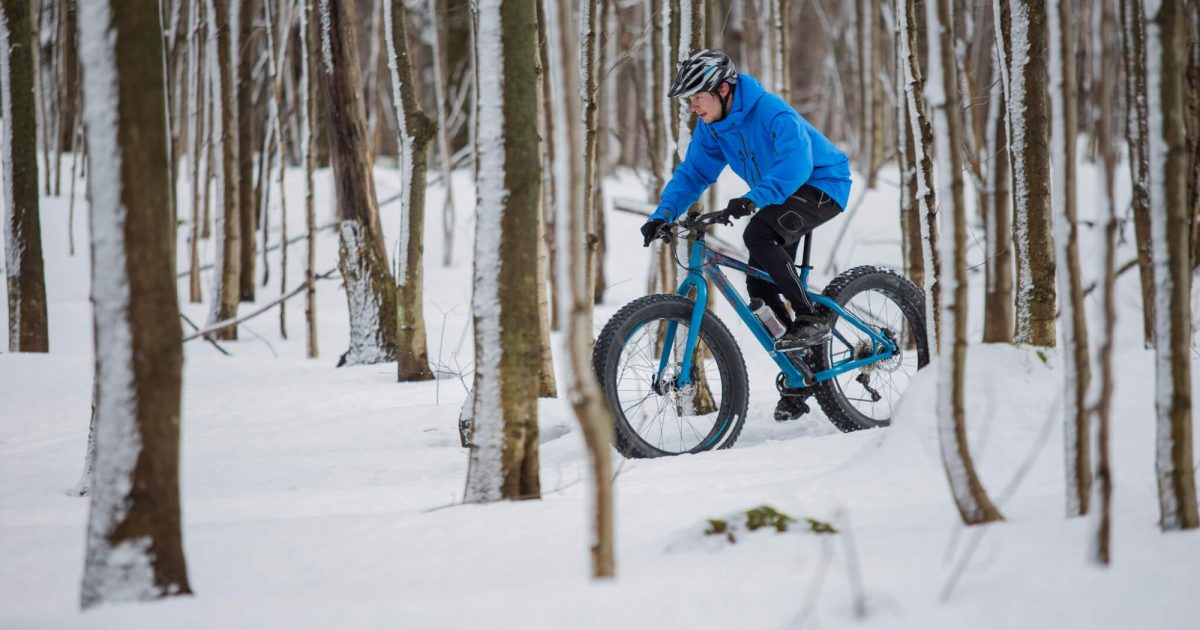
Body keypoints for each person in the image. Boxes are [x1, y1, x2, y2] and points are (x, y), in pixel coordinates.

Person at [639, 49, 852, 421]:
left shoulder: (771, 112)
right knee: (760, 289)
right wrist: (662, 215)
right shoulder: (713, 129)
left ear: (723, 89)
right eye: (690, 101)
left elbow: (797, 163)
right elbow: (693, 174)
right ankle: (803, 371)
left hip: (821, 183)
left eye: (698, 98)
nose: (694, 107)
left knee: (760, 236)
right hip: (782, 192)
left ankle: (810, 316)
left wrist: (754, 198)